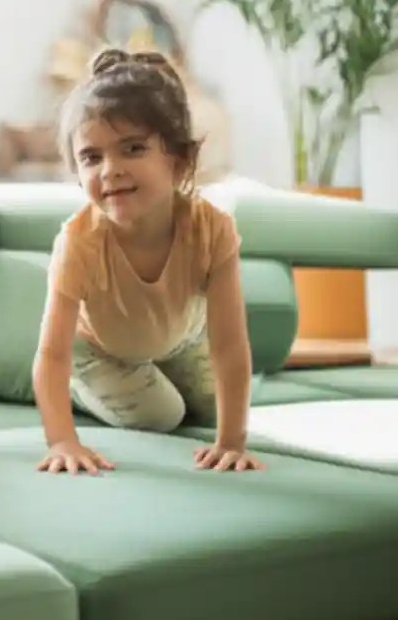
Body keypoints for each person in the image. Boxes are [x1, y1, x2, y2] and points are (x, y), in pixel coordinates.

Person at [32, 48, 265, 475]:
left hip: (178, 340)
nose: (110, 170)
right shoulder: (78, 242)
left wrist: (233, 442)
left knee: (213, 409)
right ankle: (82, 392)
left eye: (133, 148)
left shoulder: (213, 230)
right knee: (163, 416)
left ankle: (160, 373)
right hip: (102, 352)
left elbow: (229, 344)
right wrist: (62, 440)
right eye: (91, 157)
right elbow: (52, 354)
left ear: (180, 161)